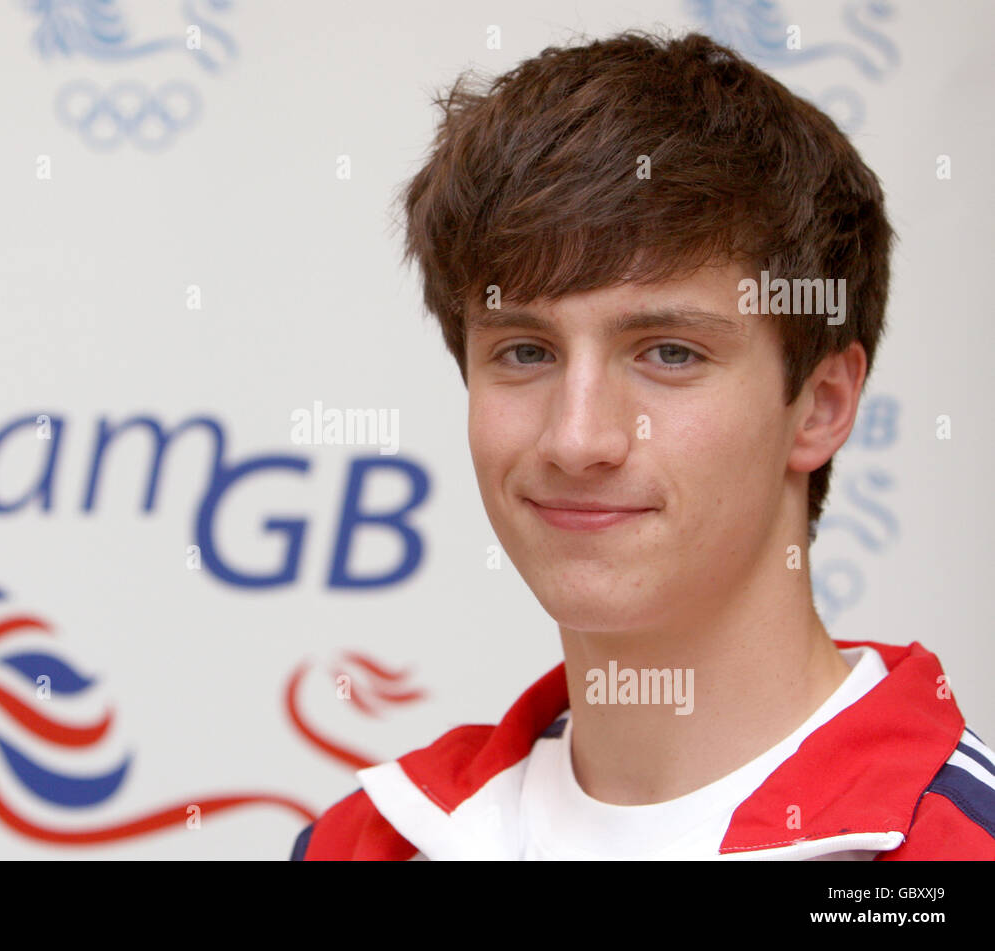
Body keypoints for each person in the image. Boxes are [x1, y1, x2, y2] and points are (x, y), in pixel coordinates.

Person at [291, 30, 995, 860]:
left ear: (821, 406)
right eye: (526, 351)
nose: (577, 438)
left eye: (670, 352)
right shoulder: (364, 843)